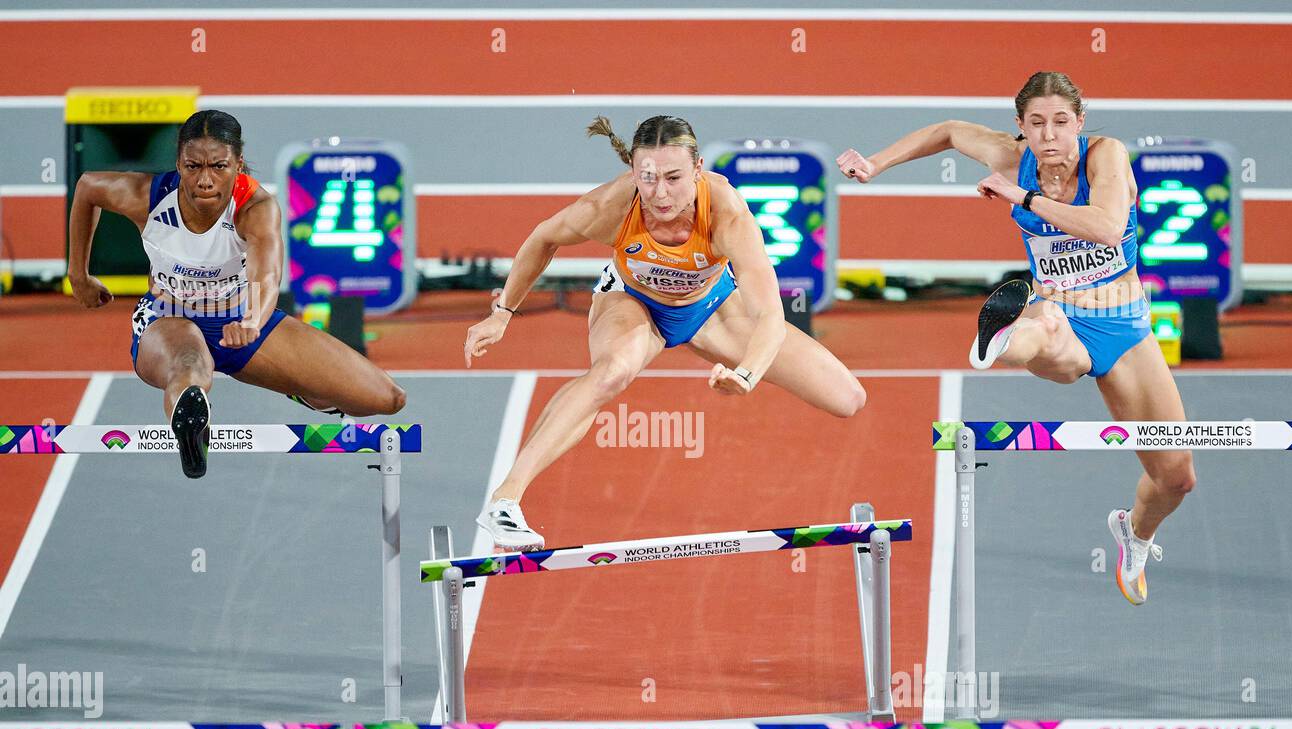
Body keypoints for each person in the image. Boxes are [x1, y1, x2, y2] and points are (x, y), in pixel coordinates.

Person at [836, 72, 1194, 605]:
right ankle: (1000, 337)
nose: (1049, 135)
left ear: (1081, 121)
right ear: (1021, 128)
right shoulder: (1010, 156)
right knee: (1049, 336)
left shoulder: (1106, 157)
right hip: (1064, 313)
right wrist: (876, 163)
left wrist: (1021, 197)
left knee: (1175, 477)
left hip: (1125, 322)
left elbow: (1107, 227)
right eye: (1036, 123)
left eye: (1061, 122)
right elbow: (950, 131)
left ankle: (1134, 532)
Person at [464, 115, 866, 551]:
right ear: (634, 172)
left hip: (712, 309)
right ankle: (505, 501)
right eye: (647, 177)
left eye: (673, 178)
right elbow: (544, 237)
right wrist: (503, 312)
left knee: (847, 398)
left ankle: (507, 498)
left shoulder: (726, 213)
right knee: (613, 371)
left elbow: (770, 313)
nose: (659, 193)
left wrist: (746, 375)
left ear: (697, 170)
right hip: (634, 303)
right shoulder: (613, 207)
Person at [67, 110, 406, 478]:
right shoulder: (146, 197)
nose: (205, 180)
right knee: (191, 366)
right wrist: (78, 275)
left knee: (384, 399)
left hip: (241, 323)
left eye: (219, 166)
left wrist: (253, 320)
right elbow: (88, 187)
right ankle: (191, 428)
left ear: (238, 164)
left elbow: (267, 272)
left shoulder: (255, 208)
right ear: (178, 163)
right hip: (168, 319)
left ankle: (300, 387)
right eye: (193, 166)